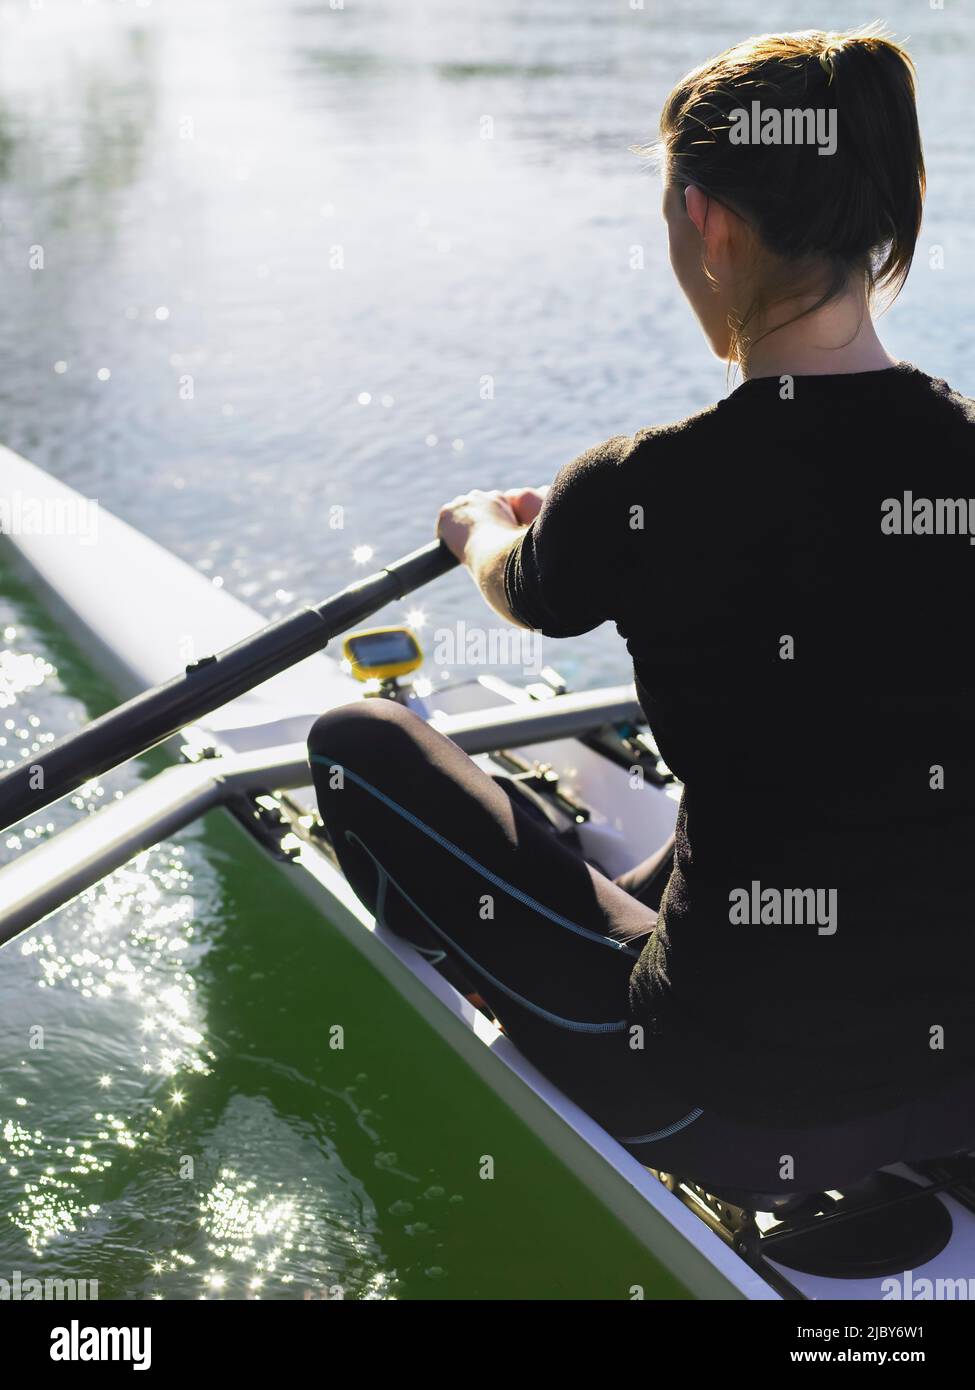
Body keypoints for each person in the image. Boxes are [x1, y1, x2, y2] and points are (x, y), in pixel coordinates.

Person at [309, 27, 975, 1197]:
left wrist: (476, 527)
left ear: (709, 220)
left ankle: (460, 970)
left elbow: (523, 585)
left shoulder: (644, 488)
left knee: (357, 745)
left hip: (726, 1099)